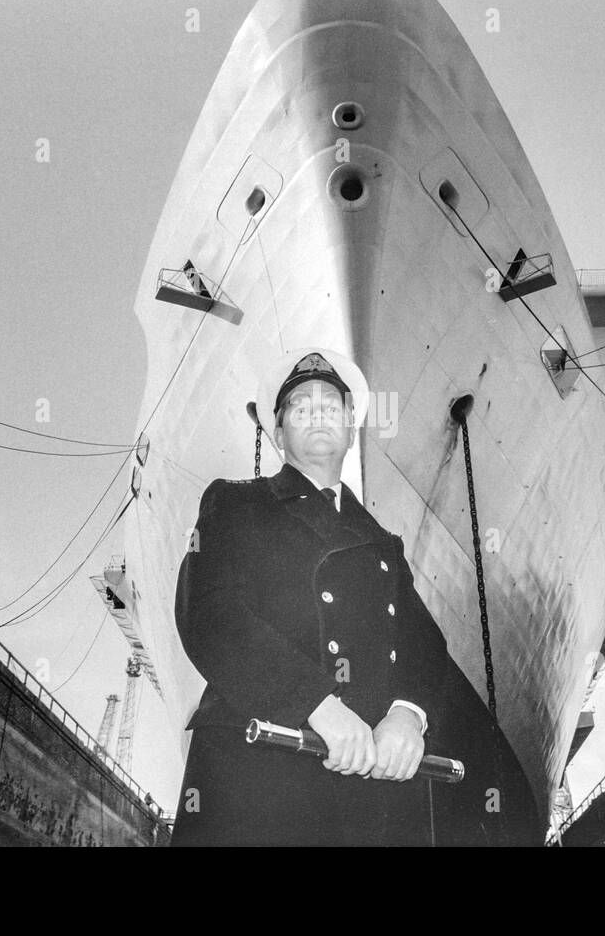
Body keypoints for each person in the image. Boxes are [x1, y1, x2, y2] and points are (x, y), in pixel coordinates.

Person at [170, 348, 450, 846]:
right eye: (300, 408)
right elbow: (210, 614)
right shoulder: (235, 503)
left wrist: (407, 715)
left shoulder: (383, 542)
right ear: (278, 434)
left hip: (371, 795)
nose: (318, 415)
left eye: (331, 406)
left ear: (351, 429)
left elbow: (424, 643)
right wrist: (315, 703)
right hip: (258, 779)